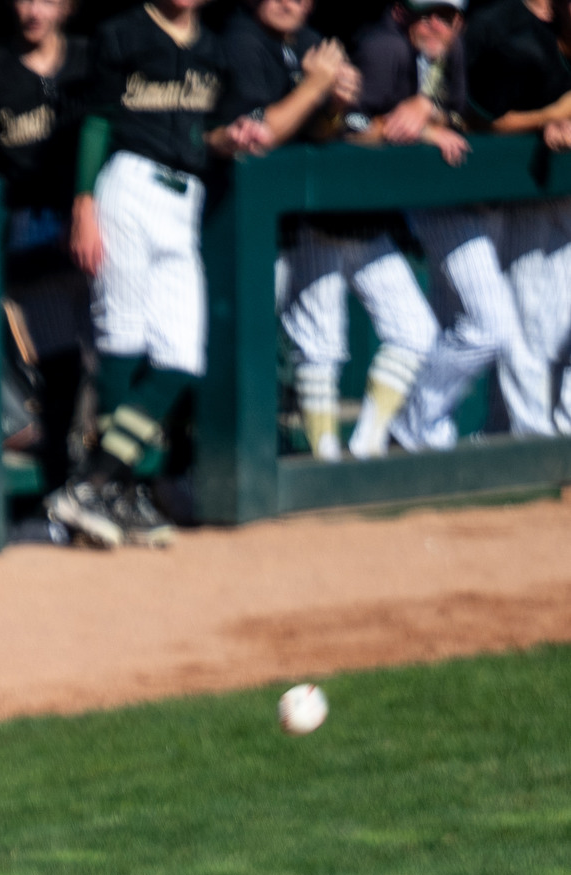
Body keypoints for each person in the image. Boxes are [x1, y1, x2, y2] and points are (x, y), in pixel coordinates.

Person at [49, 0, 269, 550]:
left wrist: (232, 137)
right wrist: (83, 204)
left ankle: (93, 485)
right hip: (128, 187)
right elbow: (99, 120)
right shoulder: (121, 32)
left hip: (185, 201)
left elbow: (209, 134)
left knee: (181, 356)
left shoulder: (215, 48)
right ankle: (115, 492)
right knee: (122, 336)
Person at [221, 0, 434, 460]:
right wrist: (319, 86)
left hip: (334, 216)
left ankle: (366, 445)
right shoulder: (240, 42)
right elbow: (262, 134)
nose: (287, 2)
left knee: (415, 330)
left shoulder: (314, 43)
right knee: (306, 346)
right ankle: (322, 456)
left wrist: (334, 107)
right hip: (268, 222)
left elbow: (330, 132)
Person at [419, 0, 571, 437]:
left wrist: (552, 120)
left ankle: (518, 436)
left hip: (533, 200)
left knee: (532, 326)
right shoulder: (500, 26)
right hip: (484, 199)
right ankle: (525, 439)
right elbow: (481, 119)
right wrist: (548, 119)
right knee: (506, 327)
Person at [0, 0, 97, 484]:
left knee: (113, 352)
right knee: (60, 361)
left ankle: (113, 478)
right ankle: (62, 480)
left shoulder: (94, 58)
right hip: (30, 224)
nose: (30, 9)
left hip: (99, 220)